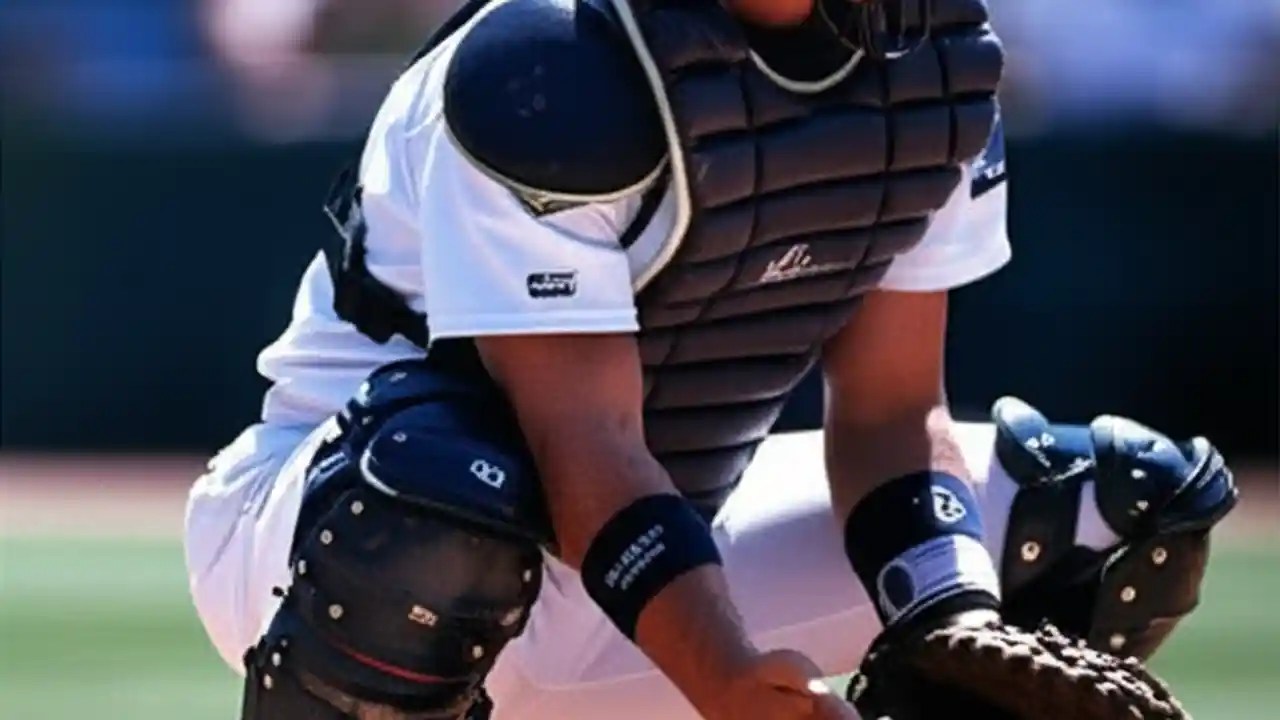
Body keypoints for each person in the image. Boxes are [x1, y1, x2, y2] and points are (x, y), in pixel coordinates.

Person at [183, 1, 1236, 718]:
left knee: (1108, 509)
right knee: (451, 490)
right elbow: (578, 442)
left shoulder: (931, 72)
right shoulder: (547, 66)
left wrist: (947, 614)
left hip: (662, 539)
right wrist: (726, 677)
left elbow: (888, 412)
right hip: (321, 539)